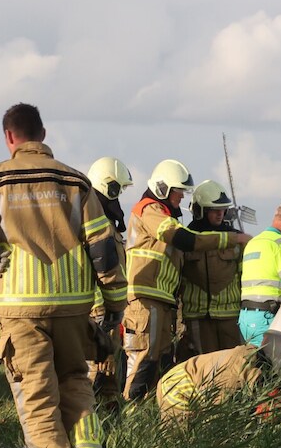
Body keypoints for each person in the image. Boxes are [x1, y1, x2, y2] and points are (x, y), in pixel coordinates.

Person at [0, 103, 126, 448]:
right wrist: (115, 303)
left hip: (19, 310)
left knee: (38, 399)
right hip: (73, 309)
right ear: (43, 134)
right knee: (74, 380)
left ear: (9, 137)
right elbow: (103, 248)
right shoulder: (75, 183)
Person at [122, 160, 251, 400]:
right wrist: (232, 239)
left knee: (158, 362)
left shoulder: (163, 215)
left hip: (161, 301)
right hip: (147, 299)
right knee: (144, 360)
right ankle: (131, 415)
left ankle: (148, 419)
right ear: (163, 188)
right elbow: (184, 240)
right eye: (178, 192)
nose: (181, 198)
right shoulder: (149, 210)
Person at [175, 180, 246, 362]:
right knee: (204, 366)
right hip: (197, 316)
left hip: (229, 317)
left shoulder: (237, 240)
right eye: (214, 210)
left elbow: (243, 274)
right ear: (200, 211)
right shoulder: (185, 240)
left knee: (233, 365)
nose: (220, 214)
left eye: (223, 209)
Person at [86, 156, 134, 409]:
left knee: (108, 381)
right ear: (108, 187)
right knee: (94, 375)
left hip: (107, 315)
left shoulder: (102, 222)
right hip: (99, 314)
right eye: (118, 190)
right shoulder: (94, 225)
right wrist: (101, 315)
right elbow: (96, 272)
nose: (119, 197)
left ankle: (108, 435)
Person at [239, 202, 281, 345]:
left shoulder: (254, 242)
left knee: (251, 364)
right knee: (272, 364)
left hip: (245, 318)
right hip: (266, 317)